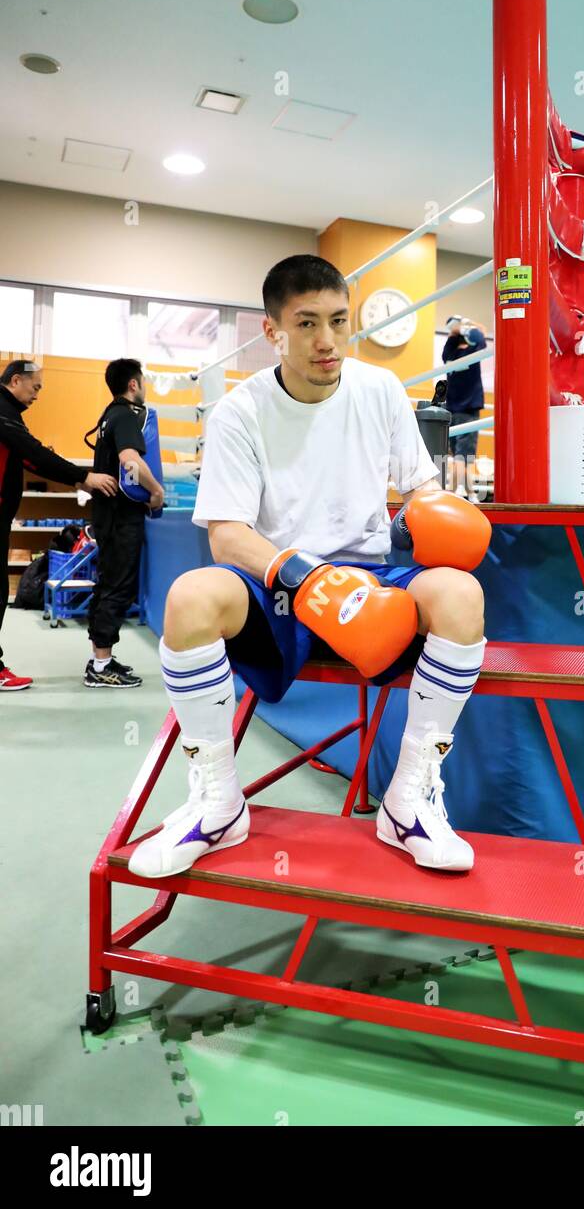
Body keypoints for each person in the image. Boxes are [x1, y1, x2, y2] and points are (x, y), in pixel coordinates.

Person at [128, 255, 490, 880]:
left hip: (372, 575)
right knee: (191, 597)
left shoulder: (379, 391)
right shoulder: (241, 411)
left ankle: (409, 800)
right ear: (273, 330)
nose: (327, 341)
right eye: (306, 324)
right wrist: (305, 577)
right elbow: (227, 536)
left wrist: (433, 509)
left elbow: (419, 490)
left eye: (339, 321)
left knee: (460, 595)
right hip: (278, 581)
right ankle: (216, 801)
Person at [0, 359, 117, 691]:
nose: (38, 394)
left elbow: (27, 458)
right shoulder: (3, 411)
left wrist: (75, 482)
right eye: (35, 387)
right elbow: (32, 453)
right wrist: (83, 475)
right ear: (16, 380)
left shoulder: (9, 413)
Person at [84, 359, 165, 688]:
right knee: (118, 587)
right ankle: (101, 668)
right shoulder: (127, 415)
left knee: (107, 585)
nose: (144, 386)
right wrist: (156, 490)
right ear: (134, 384)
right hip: (121, 517)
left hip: (106, 515)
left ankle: (99, 659)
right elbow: (129, 461)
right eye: (142, 381)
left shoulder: (107, 415)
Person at [442, 315, 487, 501]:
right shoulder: (472, 353)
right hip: (467, 411)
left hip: (451, 410)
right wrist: (468, 324)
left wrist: (455, 331)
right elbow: (481, 338)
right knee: (464, 458)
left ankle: (457, 493)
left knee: (458, 458)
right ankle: (463, 494)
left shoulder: (450, 356)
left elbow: (447, 348)